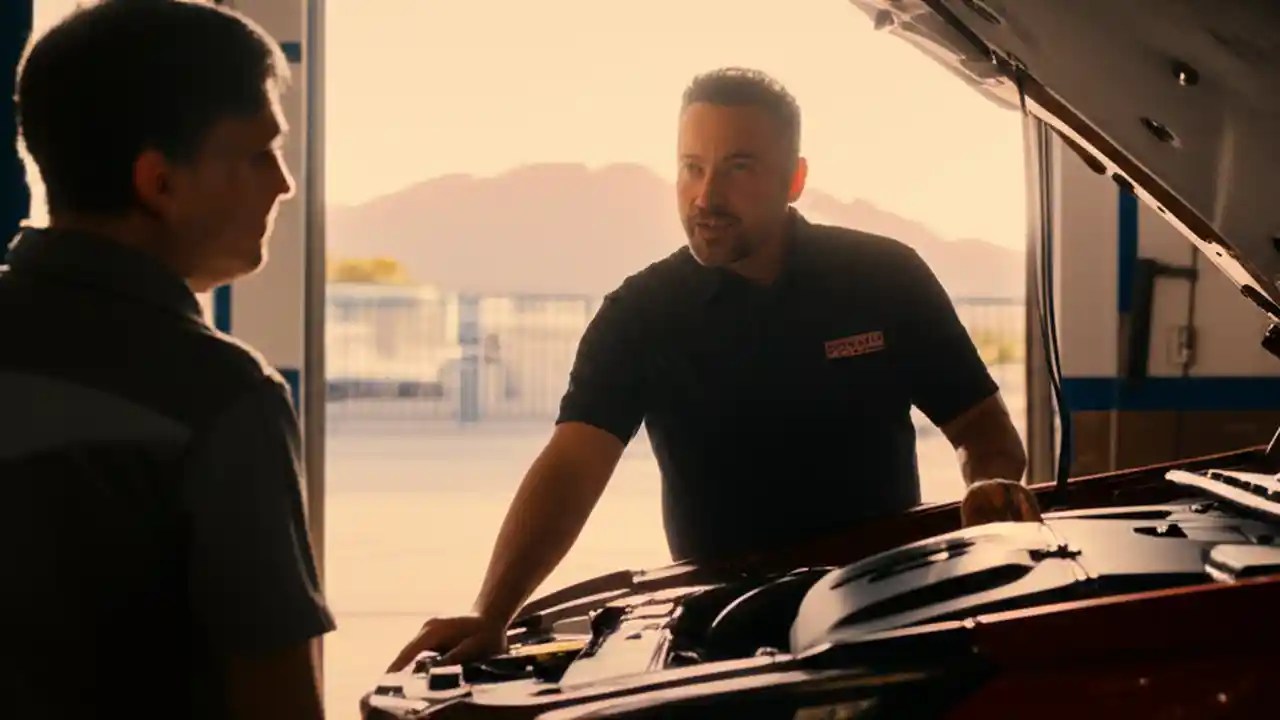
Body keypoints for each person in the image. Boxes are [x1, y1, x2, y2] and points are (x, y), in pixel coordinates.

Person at [387, 67, 1036, 671]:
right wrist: (492, 611)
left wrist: (993, 489)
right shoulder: (641, 313)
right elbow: (572, 464)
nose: (707, 194)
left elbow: (983, 427)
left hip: (882, 618)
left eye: (738, 167)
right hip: (718, 635)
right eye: (691, 167)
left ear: (795, 179)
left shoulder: (884, 278)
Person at [0, 2, 332, 719]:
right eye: (257, 153)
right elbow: (275, 698)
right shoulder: (218, 394)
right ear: (159, 183)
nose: (284, 183)